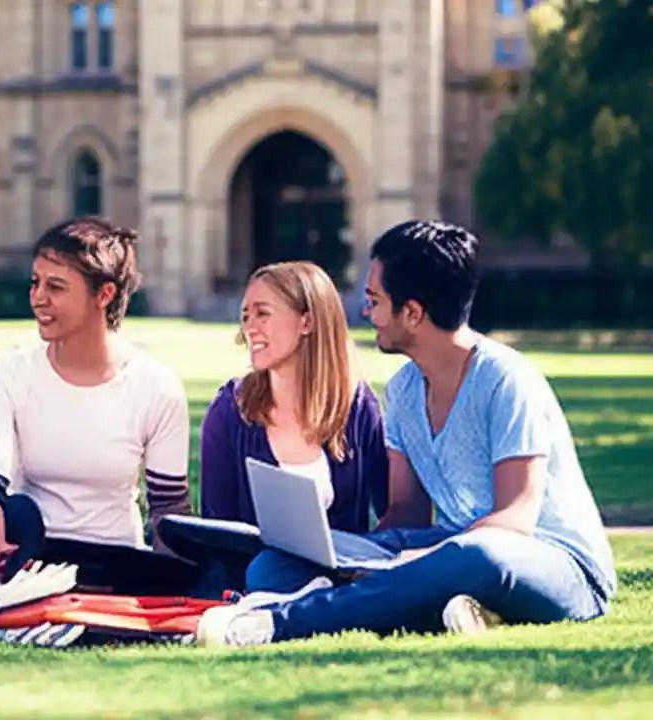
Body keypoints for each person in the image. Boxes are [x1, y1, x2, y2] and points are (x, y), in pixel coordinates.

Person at [195, 220, 617, 647]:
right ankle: (460, 608)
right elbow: (407, 513)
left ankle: (279, 622)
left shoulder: (505, 379)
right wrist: (354, 557)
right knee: (277, 563)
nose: (365, 312)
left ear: (412, 313)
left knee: (476, 557)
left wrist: (418, 562)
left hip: (551, 563)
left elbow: (515, 518)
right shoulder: (404, 390)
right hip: (454, 547)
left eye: (375, 300)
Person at [0, 216, 195, 638]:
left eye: (56, 287)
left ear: (104, 294)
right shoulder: (9, 372)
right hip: (28, 556)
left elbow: (168, 508)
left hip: (112, 563)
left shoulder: (156, 387)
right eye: (35, 283)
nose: (38, 298)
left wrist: (175, 588)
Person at [185, 261, 387, 589]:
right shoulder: (231, 410)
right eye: (245, 315)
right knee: (267, 569)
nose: (249, 328)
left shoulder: (358, 407)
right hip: (252, 579)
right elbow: (218, 532)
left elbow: (392, 514)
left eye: (262, 313)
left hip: (344, 575)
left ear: (307, 321)